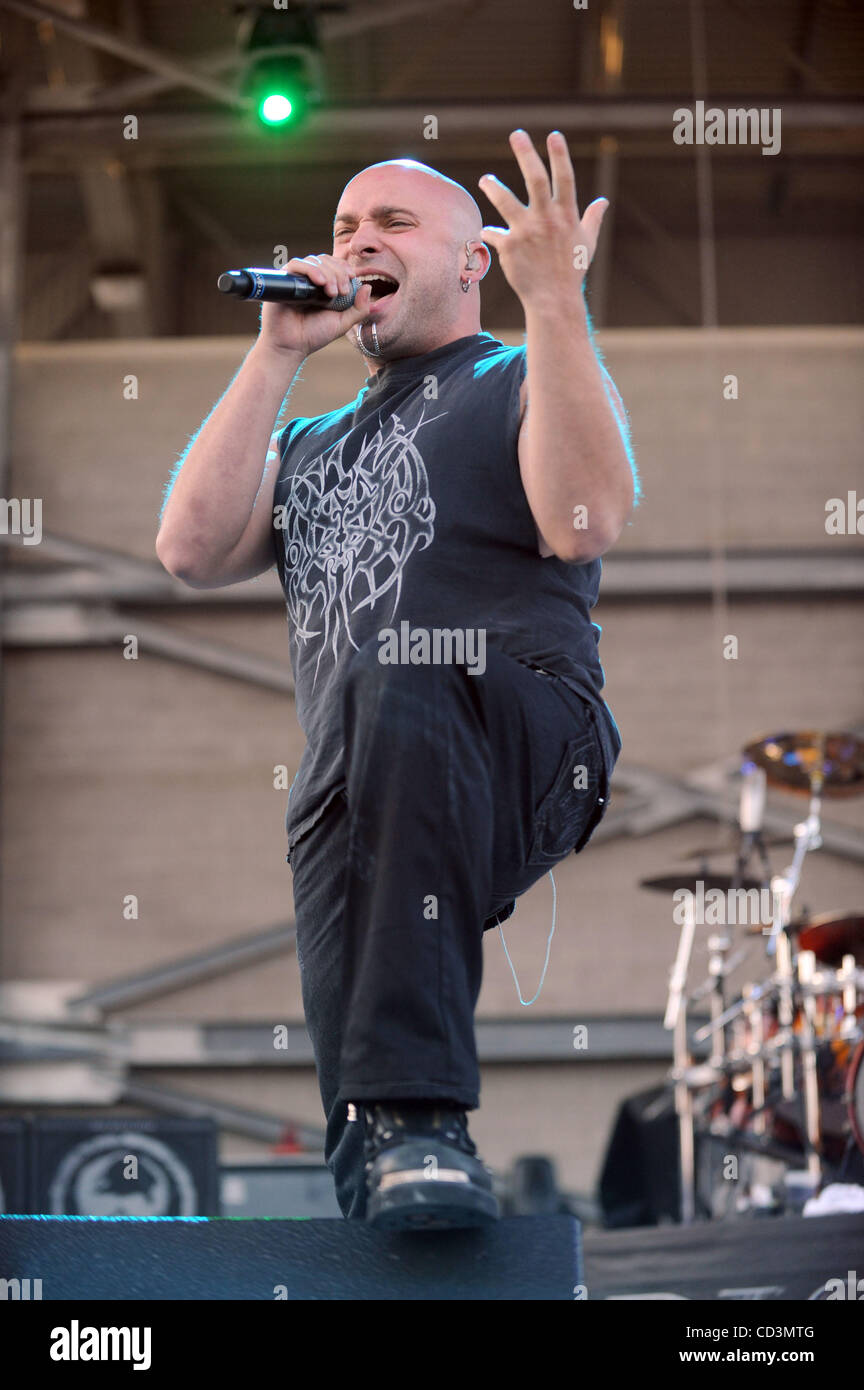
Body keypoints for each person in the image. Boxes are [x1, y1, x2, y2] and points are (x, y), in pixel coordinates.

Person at [156, 129, 638, 1232]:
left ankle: (425, 1115)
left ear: (472, 262)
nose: (359, 239)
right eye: (343, 229)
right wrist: (277, 351)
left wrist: (555, 302)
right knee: (365, 1130)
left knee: (401, 665)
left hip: (522, 728)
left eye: (393, 224)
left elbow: (584, 519)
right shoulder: (315, 440)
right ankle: (402, 1169)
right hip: (360, 783)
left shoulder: (518, 375)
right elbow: (188, 550)